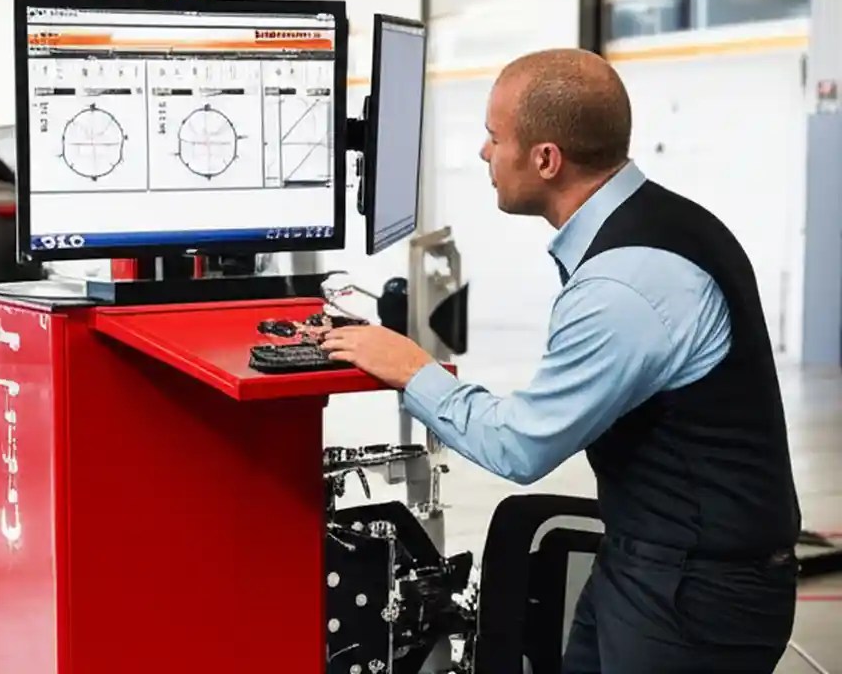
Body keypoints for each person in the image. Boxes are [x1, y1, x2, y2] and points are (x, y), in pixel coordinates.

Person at [320, 48, 801, 673]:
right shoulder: (661, 223)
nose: (484, 153)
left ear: (547, 159)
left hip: (693, 592)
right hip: (651, 559)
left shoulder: (624, 285)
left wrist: (412, 370)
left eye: (495, 138)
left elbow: (521, 446)